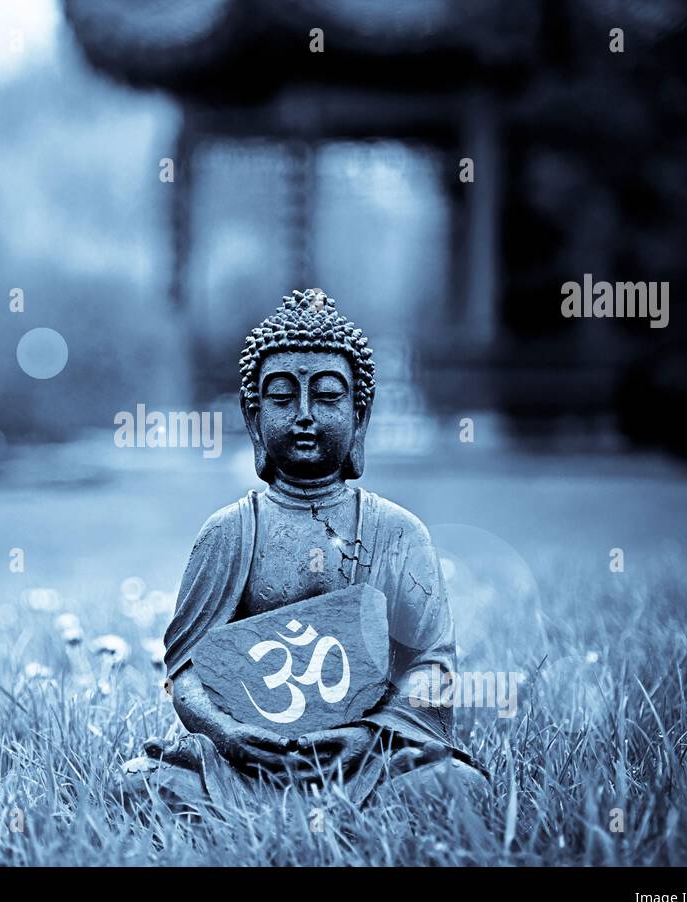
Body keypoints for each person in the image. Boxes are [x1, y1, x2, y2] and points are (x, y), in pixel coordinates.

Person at [123, 289, 491, 816]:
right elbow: (186, 671)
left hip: (365, 759)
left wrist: (367, 736)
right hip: (248, 758)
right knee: (138, 784)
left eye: (325, 396)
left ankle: (314, 808)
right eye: (280, 398)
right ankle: (275, 808)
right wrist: (227, 734)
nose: (302, 415)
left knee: (455, 786)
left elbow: (430, 668)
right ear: (253, 420)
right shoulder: (230, 532)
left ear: (359, 416)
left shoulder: (398, 532)